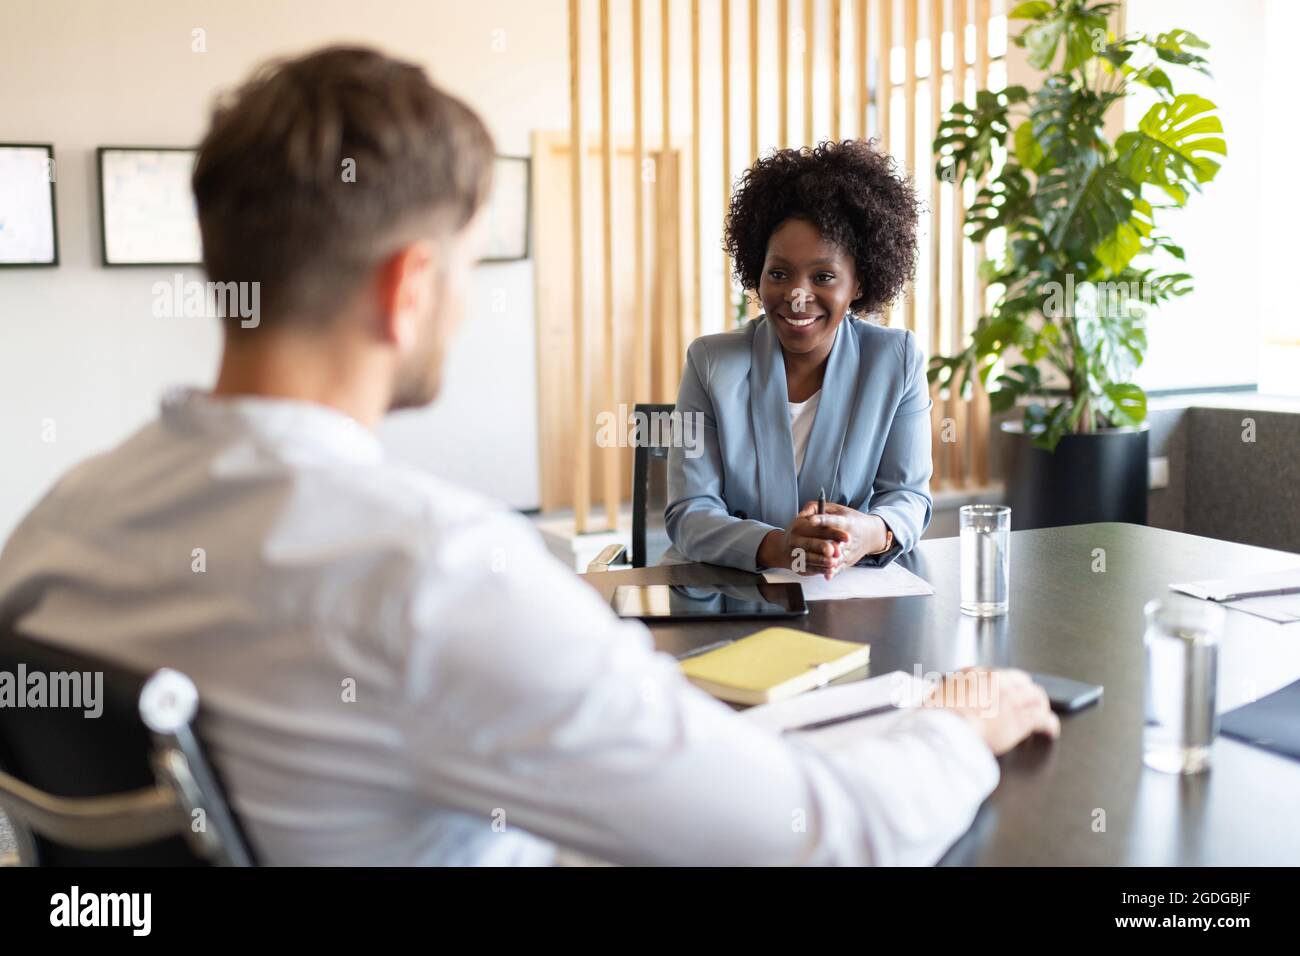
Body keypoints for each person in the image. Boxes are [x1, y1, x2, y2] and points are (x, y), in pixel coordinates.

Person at [0, 47, 1057, 866]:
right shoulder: (438, 573)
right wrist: (957, 725)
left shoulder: (54, 528)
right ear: (409, 287)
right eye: (465, 266)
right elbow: (822, 833)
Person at [666, 141, 931, 578]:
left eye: (823, 276)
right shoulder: (711, 363)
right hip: (731, 596)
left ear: (859, 283)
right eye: (779, 273)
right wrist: (777, 547)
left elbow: (908, 497)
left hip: (848, 598)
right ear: (758, 271)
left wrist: (872, 532)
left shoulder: (895, 361)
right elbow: (690, 512)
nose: (798, 295)